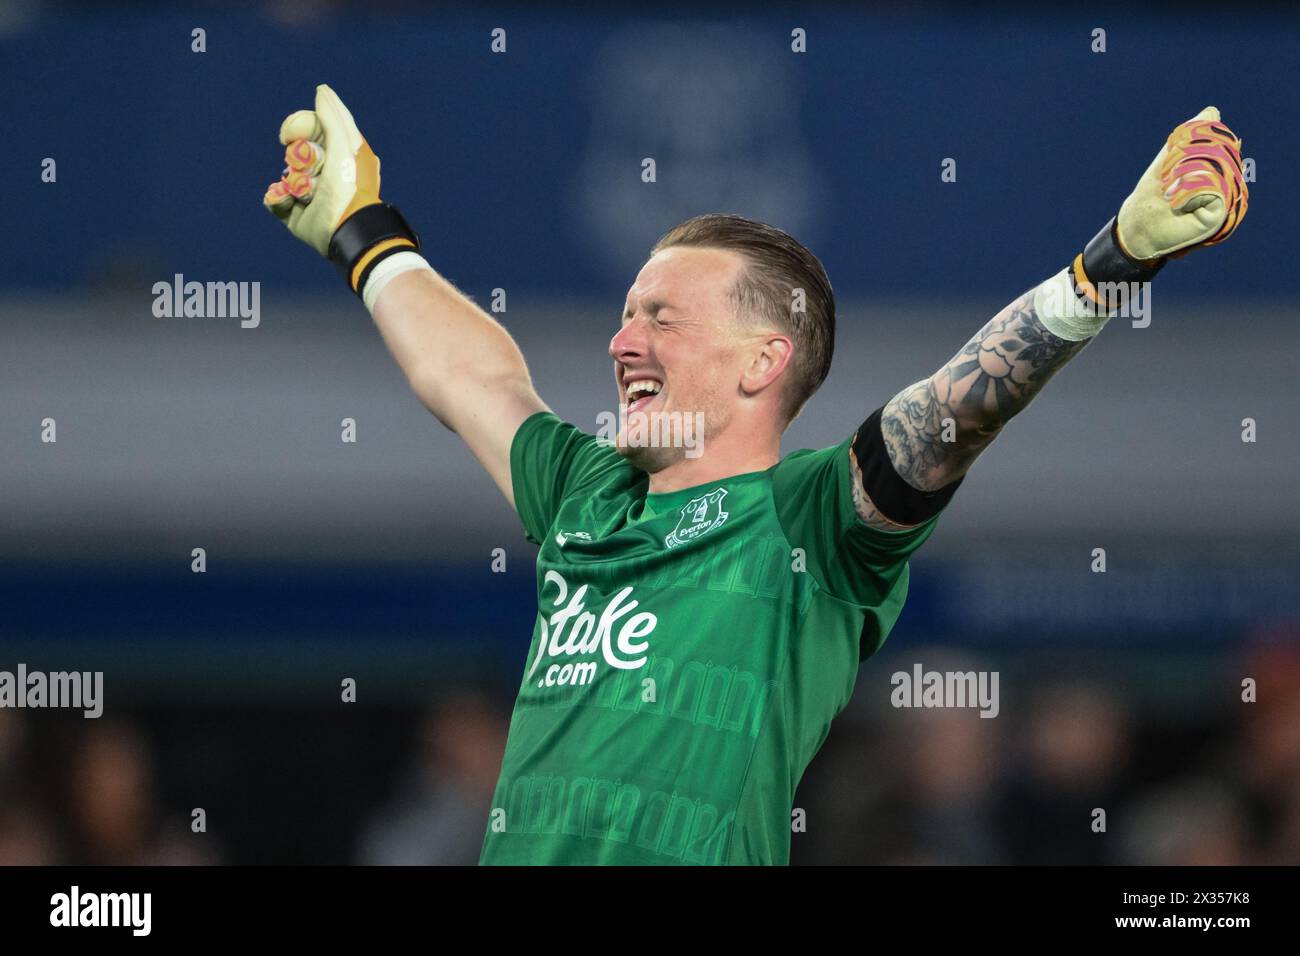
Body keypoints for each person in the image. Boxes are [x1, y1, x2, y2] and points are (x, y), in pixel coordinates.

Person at [264, 87, 1247, 864]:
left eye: (660, 316)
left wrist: (1106, 266)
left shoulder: (808, 522)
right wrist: (365, 234)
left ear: (762, 360)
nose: (620, 340)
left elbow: (957, 408)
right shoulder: (583, 494)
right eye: (625, 312)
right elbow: (470, 374)